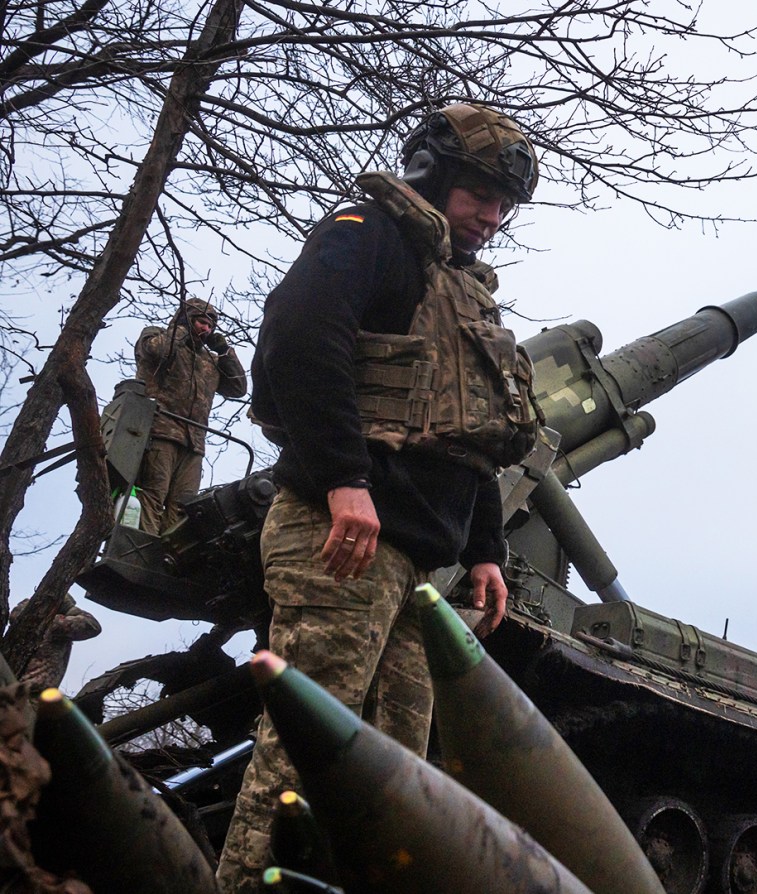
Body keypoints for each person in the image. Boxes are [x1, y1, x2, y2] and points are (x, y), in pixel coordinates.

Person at [216, 102, 542, 892]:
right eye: (479, 196)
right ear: (431, 172)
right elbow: (301, 335)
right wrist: (344, 480)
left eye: (505, 206)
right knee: (302, 755)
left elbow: (470, 434)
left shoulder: (458, 287)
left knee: (395, 773)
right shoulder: (369, 234)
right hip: (346, 540)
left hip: (416, 564)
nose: (490, 218)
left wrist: (485, 550)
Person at [132, 298, 247, 534]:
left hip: (194, 442)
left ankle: (165, 559)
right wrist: (181, 330)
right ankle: (140, 551)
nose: (206, 329)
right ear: (186, 318)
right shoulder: (158, 336)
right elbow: (156, 350)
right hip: (160, 431)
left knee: (183, 508)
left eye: (210, 326)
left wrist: (224, 351)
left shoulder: (209, 361)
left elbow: (238, 388)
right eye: (201, 323)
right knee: (153, 493)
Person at [7, 595, 101, 694]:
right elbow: (92, 626)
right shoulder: (52, 625)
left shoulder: (21, 624)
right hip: (30, 694)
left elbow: (17, 614)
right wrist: (70, 609)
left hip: (10, 690)